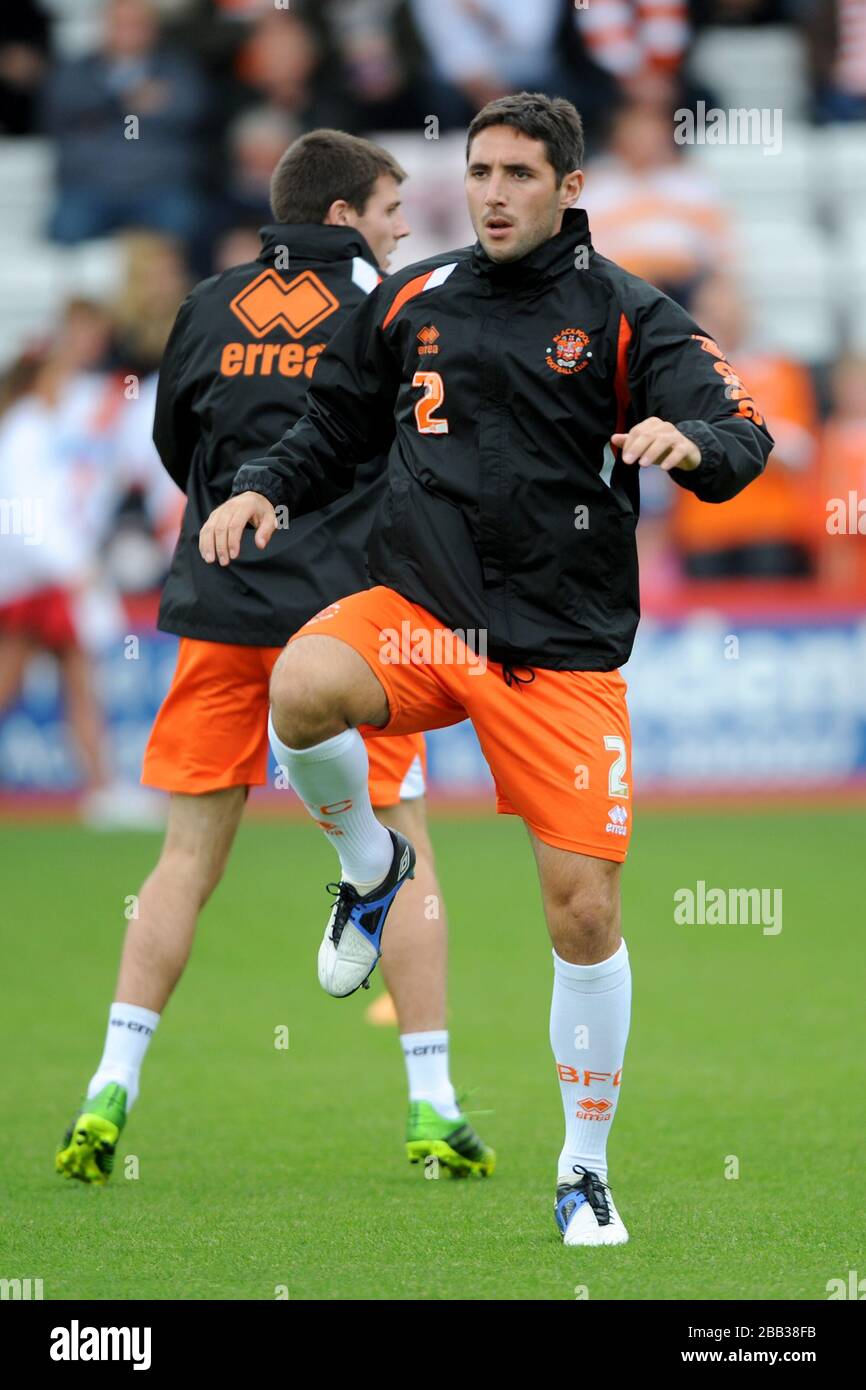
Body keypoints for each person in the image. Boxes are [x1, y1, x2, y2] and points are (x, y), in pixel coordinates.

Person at [201, 93, 773, 1246]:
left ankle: (581, 1166)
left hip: (556, 653)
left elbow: (738, 432)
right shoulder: (414, 297)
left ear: (569, 187)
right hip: (422, 617)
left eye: (518, 172)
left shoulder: (626, 313)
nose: (492, 192)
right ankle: (373, 868)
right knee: (299, 688)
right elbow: (332, 426)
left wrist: (689, 444)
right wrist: (263, 482)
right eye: (477, 171)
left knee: (581, 915)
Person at [55, 130, 494, 1189]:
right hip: (344, 634)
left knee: (182, 864)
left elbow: (175, 447)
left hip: (221, 611)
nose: (403, 225)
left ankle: (108, 1085)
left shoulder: (206, 304)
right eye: (391, 207)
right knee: (404, 855)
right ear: (345, 212)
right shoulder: (389, 313)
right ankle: (431, 1104)